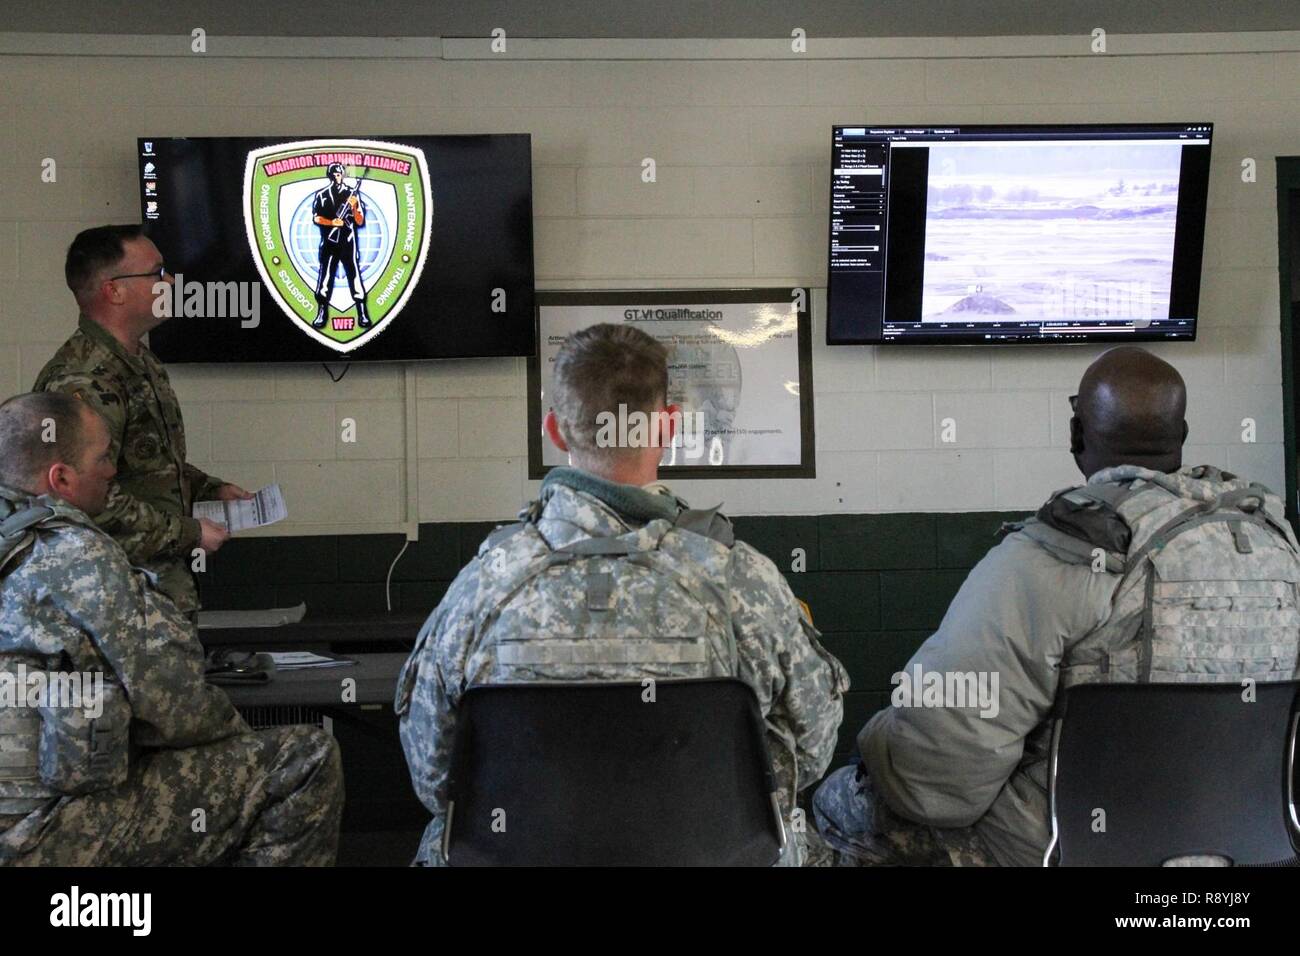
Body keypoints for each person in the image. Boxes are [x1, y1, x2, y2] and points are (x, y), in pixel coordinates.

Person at [813, 345, 1300, 866]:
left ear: (1075, 434)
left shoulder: (1056, 553)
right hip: (1251, 845)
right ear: (1180, 436)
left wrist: (876, 749)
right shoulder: (1277, 545)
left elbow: (940, 774)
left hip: (1065, 847)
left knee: (841, 805)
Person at [397, 323, 848, 865]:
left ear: (556, 432)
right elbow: (813, 748)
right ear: (669, 427)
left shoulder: (483, 586)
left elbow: (432, 776)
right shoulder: (741, 581)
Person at [0, 392, 344, 866]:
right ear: (61, 479)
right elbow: (175, 701)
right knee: (304, 760)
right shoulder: (75, 554)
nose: (113, 471)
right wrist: (236, 737)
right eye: (102, 458)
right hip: (41, 831)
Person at [33, 224, 250, 614]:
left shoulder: (139, 360)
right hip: (115, 604)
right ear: (114, 290)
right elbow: (83, 497)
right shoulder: (83, 380)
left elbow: (146, 463)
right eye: (156, 273)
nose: (169, 281)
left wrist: (208, 489)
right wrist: (189, 533)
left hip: (156, 595)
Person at [311, 163, 370, 330]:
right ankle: (322, 311)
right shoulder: (322, 195)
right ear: (330, 175)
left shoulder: (351, 194)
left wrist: (354, 207)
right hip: (329, 243)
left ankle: (362, 312)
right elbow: (316, 218)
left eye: (339, 173)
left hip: (347, 242)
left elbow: (360, 221)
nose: (337, 176)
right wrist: (331, 222)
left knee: (354, 275)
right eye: (334, 173)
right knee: (325, 279)